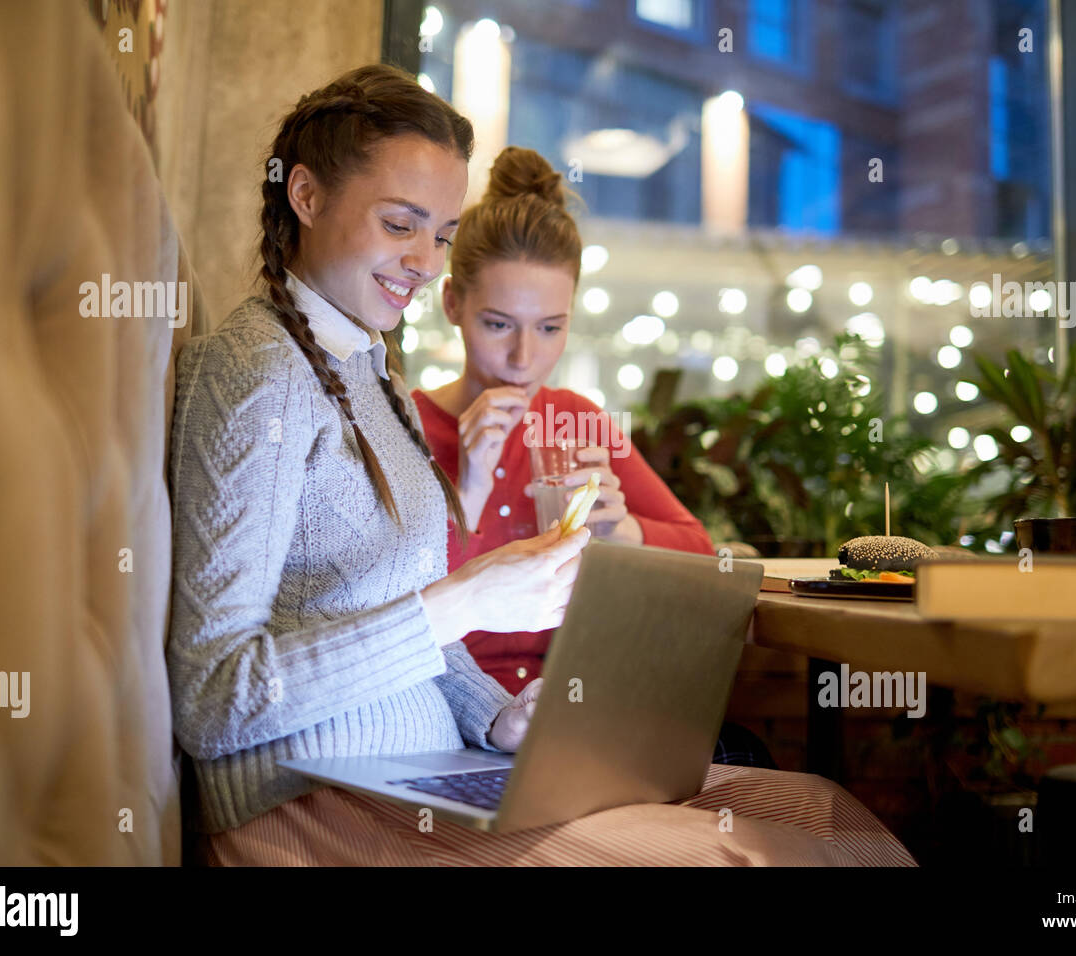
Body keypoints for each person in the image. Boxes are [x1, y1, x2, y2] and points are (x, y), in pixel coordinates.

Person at [167, 64, 915, 866]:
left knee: (829, 817)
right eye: (400, 225)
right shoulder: (257, 374)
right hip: (317, 809)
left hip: (427, 773)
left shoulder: (366, 368)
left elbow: (422, 647)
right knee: (762, 855)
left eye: (442, 235)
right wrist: (459, 599)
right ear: (305, 196)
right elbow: (214, 701)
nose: (423, 260)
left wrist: (497, 718)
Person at [412, 147, 777, 768]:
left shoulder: (573, 418)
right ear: (453, 305)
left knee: (748, 761)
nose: (524, 358)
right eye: (499, 325)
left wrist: (625, 531)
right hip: (453, 721)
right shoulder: (407, 427)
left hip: (577, 710)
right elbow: (397, 607)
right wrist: (468, 486)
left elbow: (701, 555)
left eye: (551, 328)